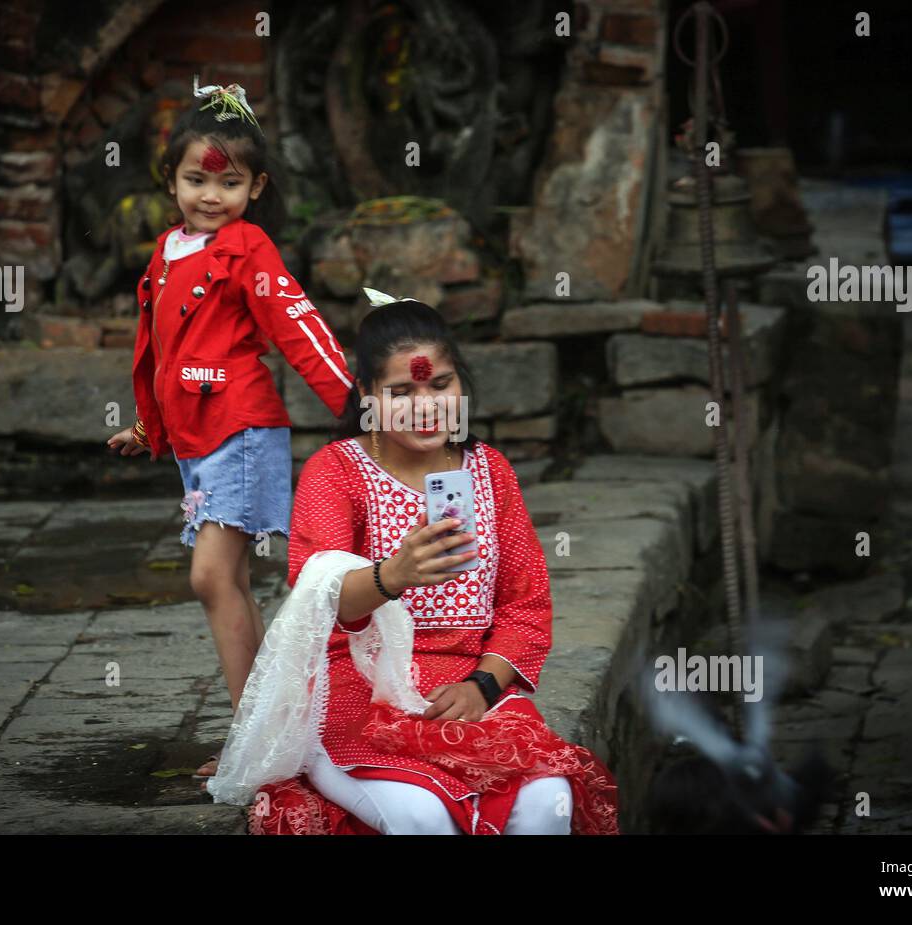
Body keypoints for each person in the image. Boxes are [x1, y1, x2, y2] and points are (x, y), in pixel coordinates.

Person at [207, 294, 619, 834]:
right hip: (358, 695)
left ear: (461, 386)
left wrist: (483, 687)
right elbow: (321, 602)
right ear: (368, 397)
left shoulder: (490, 471)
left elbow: (525, 607)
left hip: (470, 691)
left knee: (548, 802)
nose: (426, 406)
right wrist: (390, 576)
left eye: (440, 385)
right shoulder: (335, 474)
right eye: (401, 392)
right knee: (423, 817)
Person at [108, 81, 353, 778]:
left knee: (211, 576)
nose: (210, 195)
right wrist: (148, 429)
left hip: (239, 432)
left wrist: (353, 401)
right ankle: (264, 738)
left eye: (230, 182)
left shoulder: (246, 247)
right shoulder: (166, 253)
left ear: (256, 186)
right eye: (195, 179)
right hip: (197, 443)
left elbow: (296, 323)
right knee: (231, 582)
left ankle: (259, 742)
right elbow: (157, 353)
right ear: (170, 179)